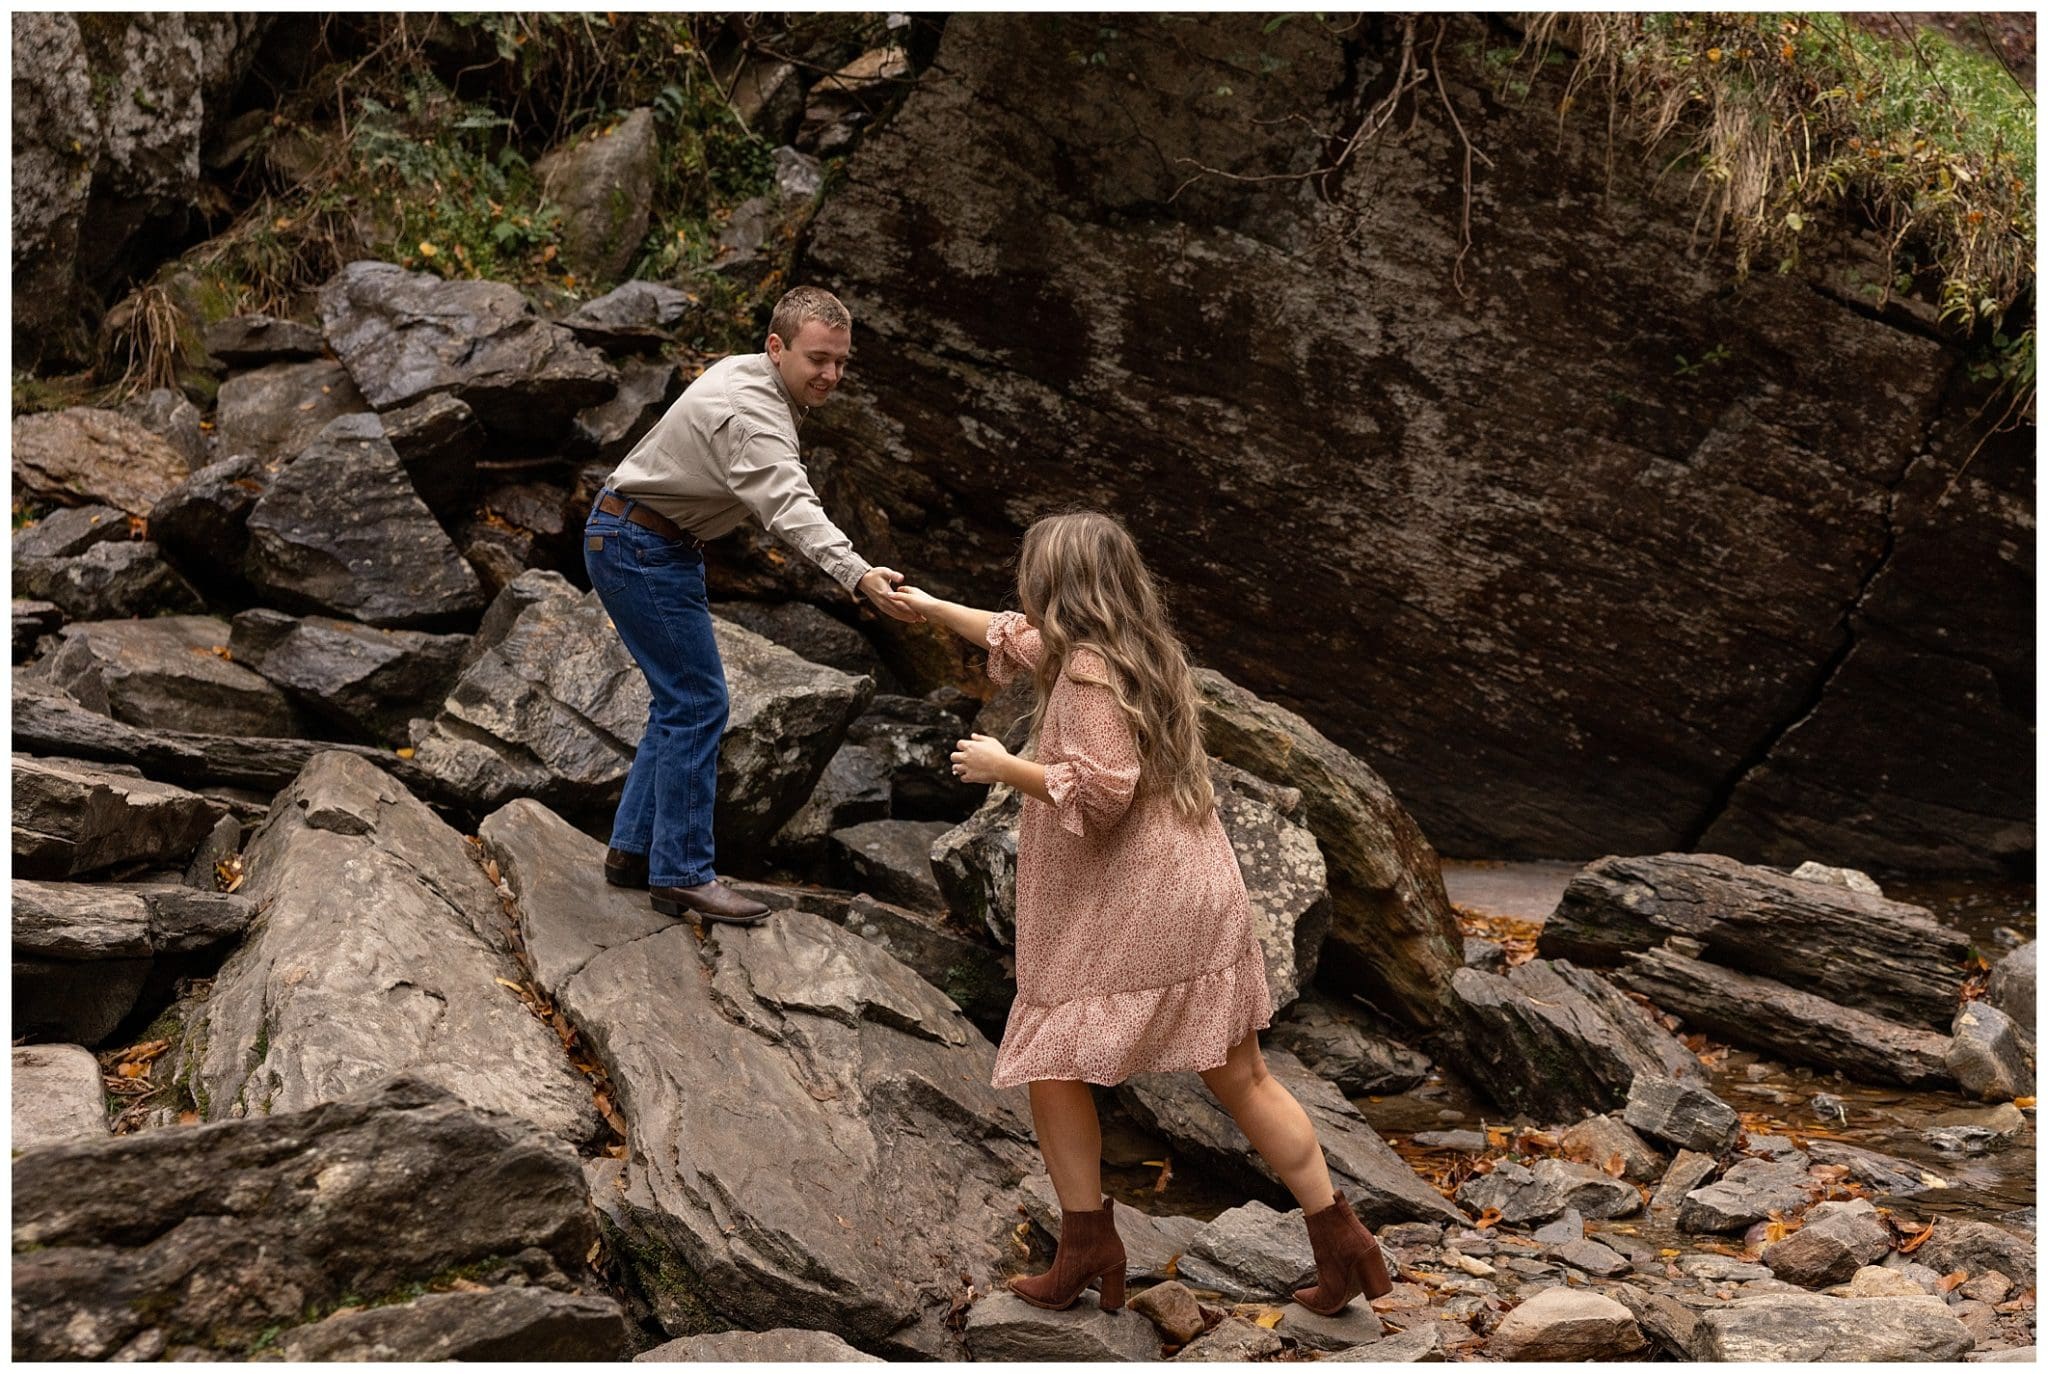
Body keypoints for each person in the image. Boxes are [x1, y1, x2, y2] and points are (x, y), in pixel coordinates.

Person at [893, 511, 1397, 1316]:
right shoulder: (1135, 653)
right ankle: (1343, 1241)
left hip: (1145, 900)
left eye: (1032, 574)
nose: (1021, 590)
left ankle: (1088, 1244)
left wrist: (1005, 766)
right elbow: (1012, 634)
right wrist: (927, 607)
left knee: (1051, 1057)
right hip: (1199, 884)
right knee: (1244, 1077)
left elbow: (1105, 787)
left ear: (1057, 586)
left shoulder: (1088, 675)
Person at [585, 285, 920, 925]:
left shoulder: (757, 380)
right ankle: (682, 873)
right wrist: (859, 576)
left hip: (645, 537)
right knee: (699, 701)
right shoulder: (751, 413)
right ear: (777, 347)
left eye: (841, 362)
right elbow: (790, 505)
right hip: (638, 544)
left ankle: (631, 853)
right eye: (818, 359)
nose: (831, 374)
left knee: (680, 700)